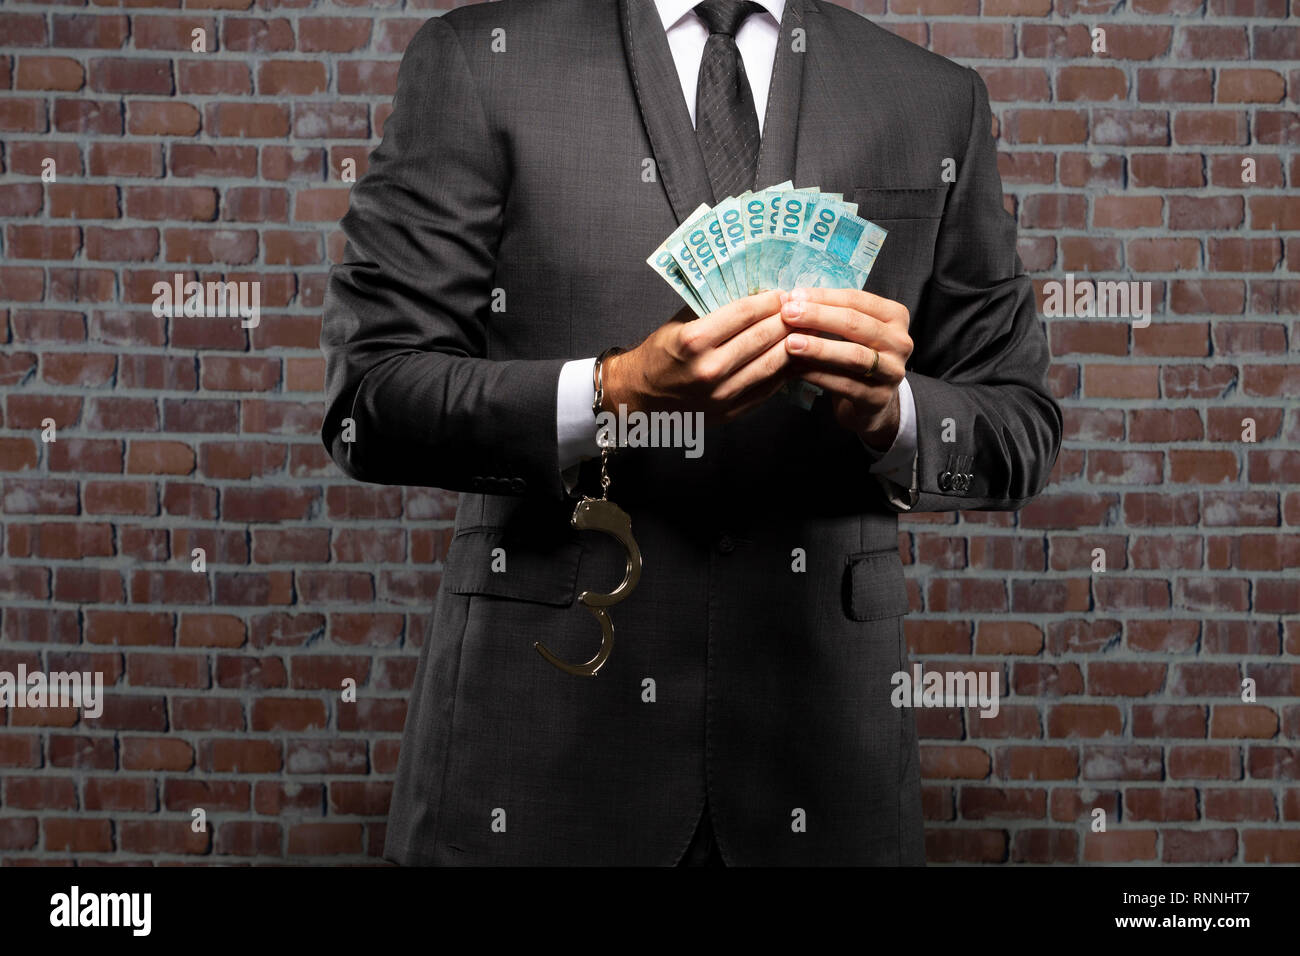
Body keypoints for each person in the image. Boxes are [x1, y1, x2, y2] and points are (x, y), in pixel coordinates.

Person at [320, 0, 1062, 865]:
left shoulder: (934, 99)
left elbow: (1020, 423)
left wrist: (893, 413)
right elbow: (368, 399)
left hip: (823, 762)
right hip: (544, 746)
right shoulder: (481, 62)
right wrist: (616, 390)